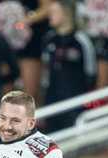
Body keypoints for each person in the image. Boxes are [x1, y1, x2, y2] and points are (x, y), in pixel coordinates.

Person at [41, 0, 96, 132]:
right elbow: (45, 72)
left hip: (76, 100)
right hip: (52, 98)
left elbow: (91, 71)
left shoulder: (81, 39)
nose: (50, 15)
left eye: (54, 12)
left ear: (66, 13)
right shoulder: (49, 38)